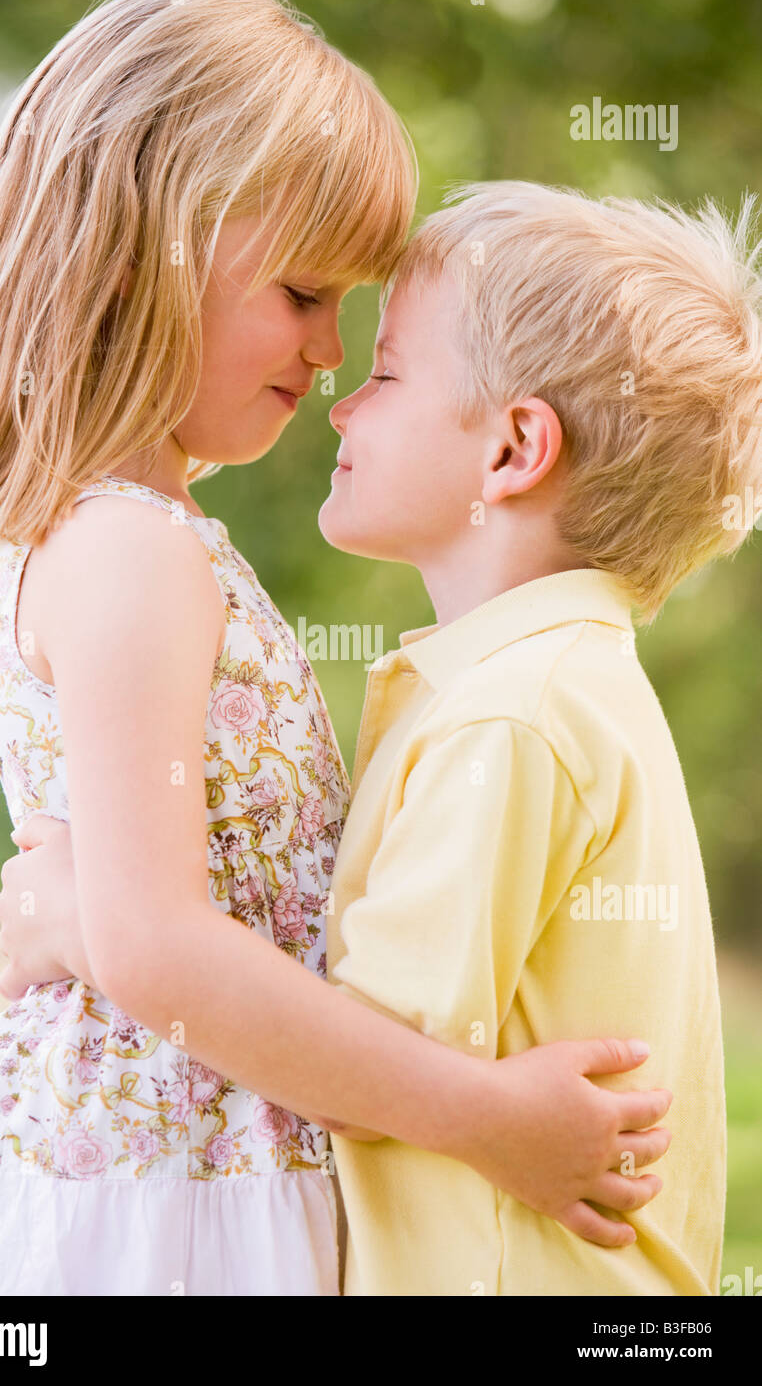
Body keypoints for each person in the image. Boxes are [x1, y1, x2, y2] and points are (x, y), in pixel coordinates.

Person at [0, 0, 672, 1295]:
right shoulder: (131, 548)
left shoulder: (137, 533)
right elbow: (163, 949)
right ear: (140, 247)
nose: (329, 355)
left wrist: (82, 920)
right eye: (306, 295)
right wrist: (492, 1120)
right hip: (155, 1203)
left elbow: (140, 926)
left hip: (200, 1163)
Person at [316, 180, 759, 1294]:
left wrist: (102, 932)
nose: (337, 406)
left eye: (382, 372)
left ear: (514, 448)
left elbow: (344, 1067)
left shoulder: (508, 717)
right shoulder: (561, 689)